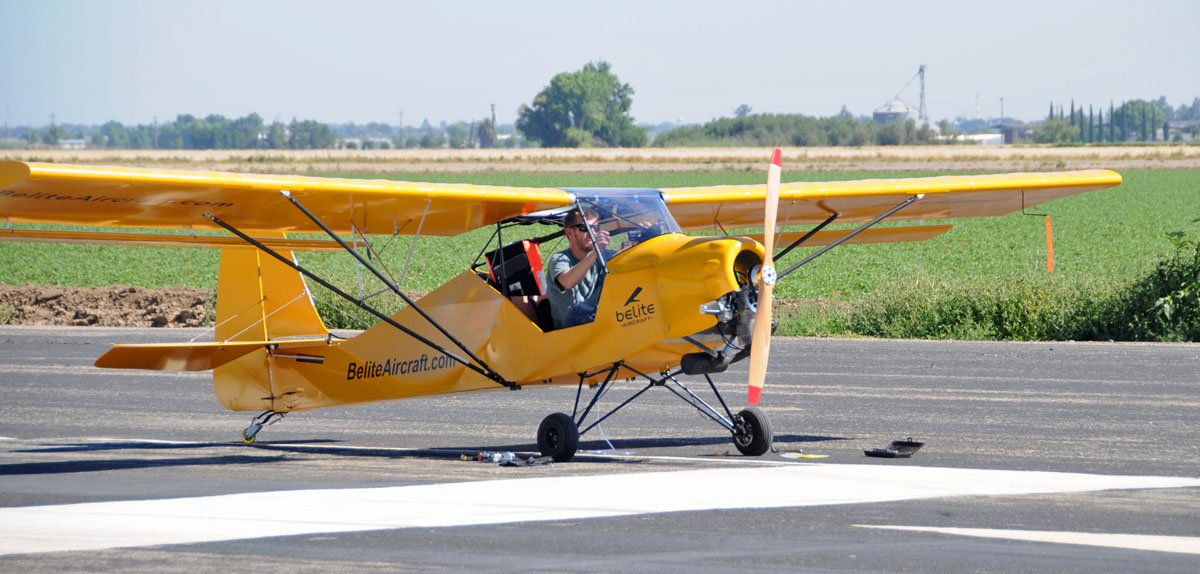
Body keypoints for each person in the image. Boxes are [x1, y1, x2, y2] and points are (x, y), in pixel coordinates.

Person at [546, 210, 613, 329]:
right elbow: (567, 282)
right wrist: (595, 254)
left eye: (595, 228)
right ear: (569, 232)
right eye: (585, 228)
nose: (592, 233)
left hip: (602, 327)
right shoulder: (559, 259)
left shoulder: (606, 256)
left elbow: (630, 263)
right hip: (571, 334)